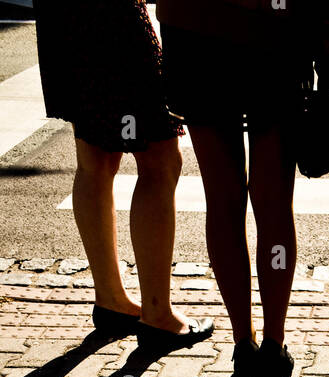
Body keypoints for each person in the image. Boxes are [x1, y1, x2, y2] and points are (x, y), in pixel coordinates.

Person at [156, 0, 329, 377]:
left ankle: (243, 343)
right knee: (273, 203)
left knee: (223, 198)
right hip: (275, 34)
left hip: (194, 32)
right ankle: (273, 344)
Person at [32, 0, 213, 350]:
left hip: (65, 17)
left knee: (95, 156)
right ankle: (157, 314)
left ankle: (111, 298)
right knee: (159, 159)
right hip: (111, 16)